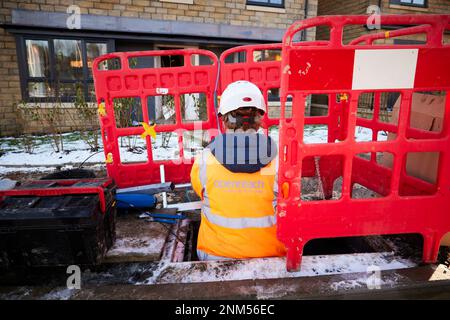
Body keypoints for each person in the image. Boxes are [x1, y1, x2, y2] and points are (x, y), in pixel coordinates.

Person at [190, 80, 286, 261]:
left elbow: (200, 192)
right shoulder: (280, 160)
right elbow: (288, 199)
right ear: (259, 119)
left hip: (215, 255)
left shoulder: (204, 160)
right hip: (271, 255)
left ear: (224, 118)